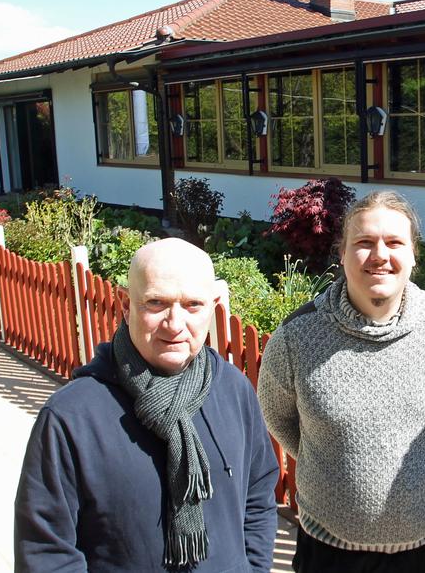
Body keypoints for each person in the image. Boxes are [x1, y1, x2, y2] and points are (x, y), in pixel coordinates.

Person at [15, 238, 280, 572]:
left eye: (193, 305)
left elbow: (258, 495)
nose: (175, 323)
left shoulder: (233, 389)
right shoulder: (72, 416)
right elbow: (46, 550)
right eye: (156, 303)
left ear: (212, 307)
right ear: (125, 305)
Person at [257, 190, 425, 573]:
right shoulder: (297, 336)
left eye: (394, 242)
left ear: (413, 254)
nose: (380, 255)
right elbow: (279, 420)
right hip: (328, 549)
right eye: (364, 243)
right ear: (342, 254)